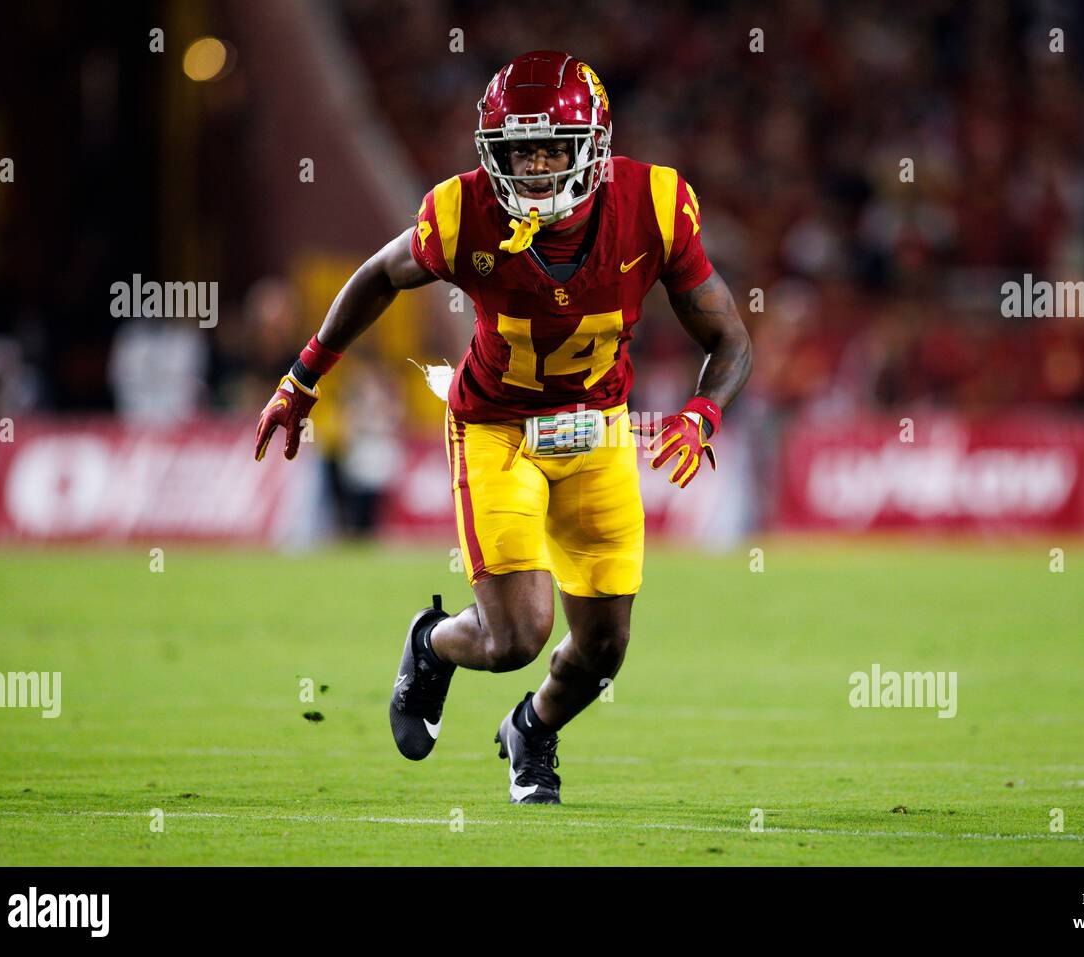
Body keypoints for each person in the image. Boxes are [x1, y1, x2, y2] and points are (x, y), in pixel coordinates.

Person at [254, 51, 752, 804]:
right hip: (498, 429)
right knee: (516, 636)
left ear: (595, 149)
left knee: (604, 648)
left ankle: (532, 728)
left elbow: (731, 338)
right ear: (495, 152)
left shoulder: (653, 202)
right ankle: (431, 643)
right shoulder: (465, 211)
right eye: (522, 150)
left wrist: (702, 410)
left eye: (555, 147)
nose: (539, 166)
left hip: (597, 431)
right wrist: (302, 375)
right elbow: (381, 274)